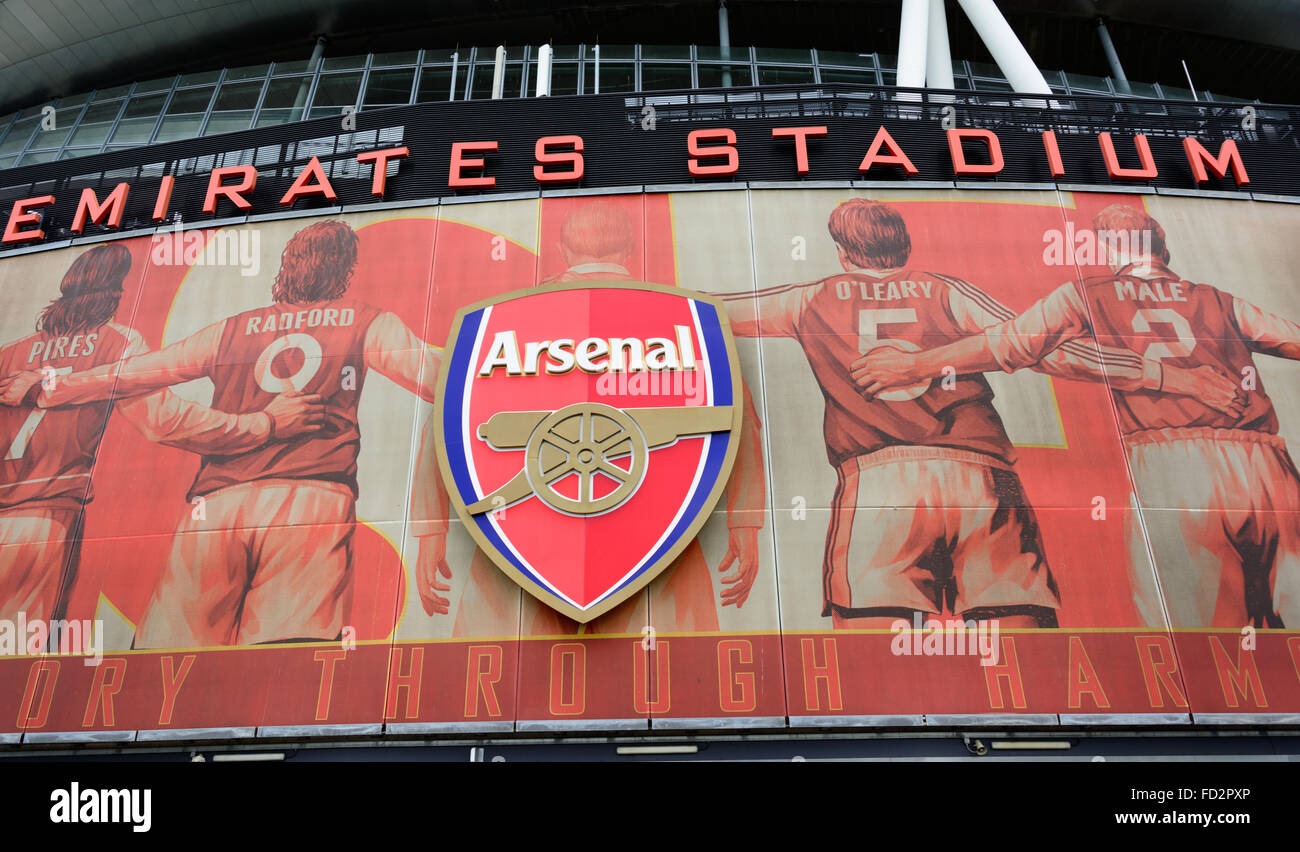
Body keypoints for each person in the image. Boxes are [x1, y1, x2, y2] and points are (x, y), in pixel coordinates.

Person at [714, 198, 1224, 629]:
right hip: (981, 477)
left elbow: (709, 308)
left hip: (878, 485)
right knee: (1020, 642)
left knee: (874, 667)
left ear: (844, 253)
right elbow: (1046, 347)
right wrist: (1171, 375)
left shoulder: (807, 300)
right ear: (905, 248)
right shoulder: (947, 290)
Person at [852, 203, 1298, 628]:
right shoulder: (1218, 300)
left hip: (1173, 464)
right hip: (1265, 463)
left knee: (1206, 639)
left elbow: (1011, 343)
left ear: (1107, 249)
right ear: (1164, 250)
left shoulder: (1087, 294)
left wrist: (917, 365)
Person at [0, 221, 441, 646]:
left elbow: (136, 374)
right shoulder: (369, 321)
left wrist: (50, 385)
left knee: (170, 650)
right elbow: (442, 379)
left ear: (287, 267)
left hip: (216, 504)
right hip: (313, 497)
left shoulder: (231, 328)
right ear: (345, 271)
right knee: (286, 656)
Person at [411, 199, 766, 636]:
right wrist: (744, 525)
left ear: (562, 249)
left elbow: (445, 427)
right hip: (661, 543)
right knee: (675, 680)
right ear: (630, 247)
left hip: (516, 553)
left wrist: (430, 534)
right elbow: (739, 423)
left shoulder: (502, 323)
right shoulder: (682, 319)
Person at [0, 243, 320, 639]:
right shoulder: (116, 343)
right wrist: (264, 424)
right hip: (41, 516)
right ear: (116, 292)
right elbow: (165, 420)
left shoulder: (9, 354)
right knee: (17, 666)